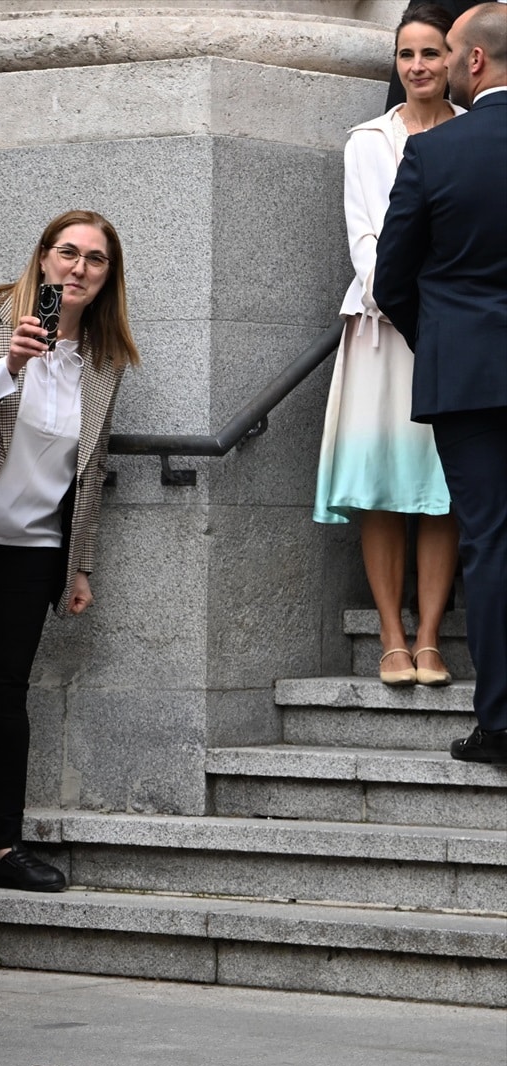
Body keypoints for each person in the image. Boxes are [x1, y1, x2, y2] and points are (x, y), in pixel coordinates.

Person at [0, 211, 140, 893]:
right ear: (44, 256)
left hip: (34, 549)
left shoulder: (104, 359)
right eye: (67, 252)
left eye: (95, 259)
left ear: (108, 276)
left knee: (4, 695)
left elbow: (91, 468)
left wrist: (80, 565)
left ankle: (5, 848)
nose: (78, 268)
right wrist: (9, 367)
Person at [315, 4, 462, 690]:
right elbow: (366, 241)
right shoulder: (368, 141)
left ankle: (430, 636)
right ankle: (391, 635)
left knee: (440, 485)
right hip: (383, 328)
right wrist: (415, 303)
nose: (418, 66)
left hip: (451, 333)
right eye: (407, 54)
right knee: (380, 483)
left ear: (455, 60)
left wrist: (447, 310)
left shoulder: (473, 133)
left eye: (431, 53)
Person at [376, 1, 507, 762]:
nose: (445, 65)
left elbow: (392, 278)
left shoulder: (433, 152)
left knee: (490, 540)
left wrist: (442, 341)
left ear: (476, 62)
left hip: (468, 377)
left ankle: (501, 723)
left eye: (450, 53)